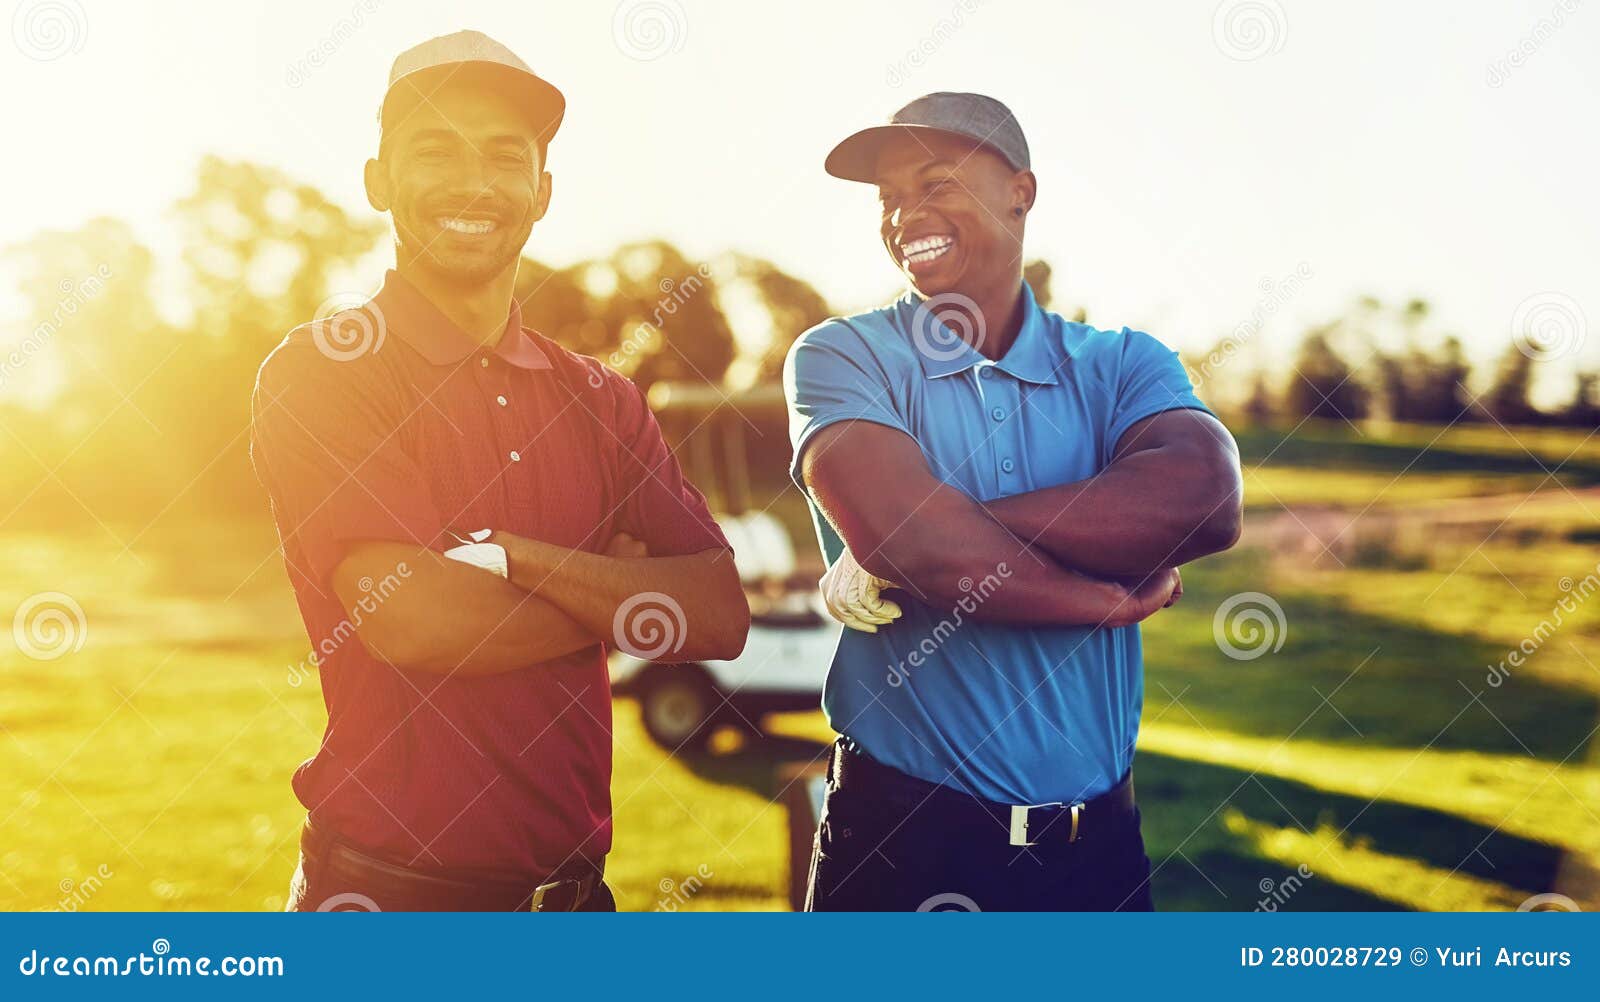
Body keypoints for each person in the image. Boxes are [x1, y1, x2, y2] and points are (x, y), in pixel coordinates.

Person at [251, 30, 749, 912]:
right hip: (385, 905)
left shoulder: (601, 398)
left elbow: (716, 612)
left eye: (504, 156)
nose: (474, 183)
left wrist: (523, 560)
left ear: (542, 192)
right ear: (377, 180)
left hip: (573, 903)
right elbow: (413, 621)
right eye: (434, 148)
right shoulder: (326, 370)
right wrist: (621, 590)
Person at [784, 92, 1243, 911]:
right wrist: (1107, 600)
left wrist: (902, 537)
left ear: (1020, 193)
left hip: (1093, 857)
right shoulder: (841, 354)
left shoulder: (1123, 363)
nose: (905, 216)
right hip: (900, 844)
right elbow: (921, 548)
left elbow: (1206, 499)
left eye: (935, 185)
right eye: (888, 199)